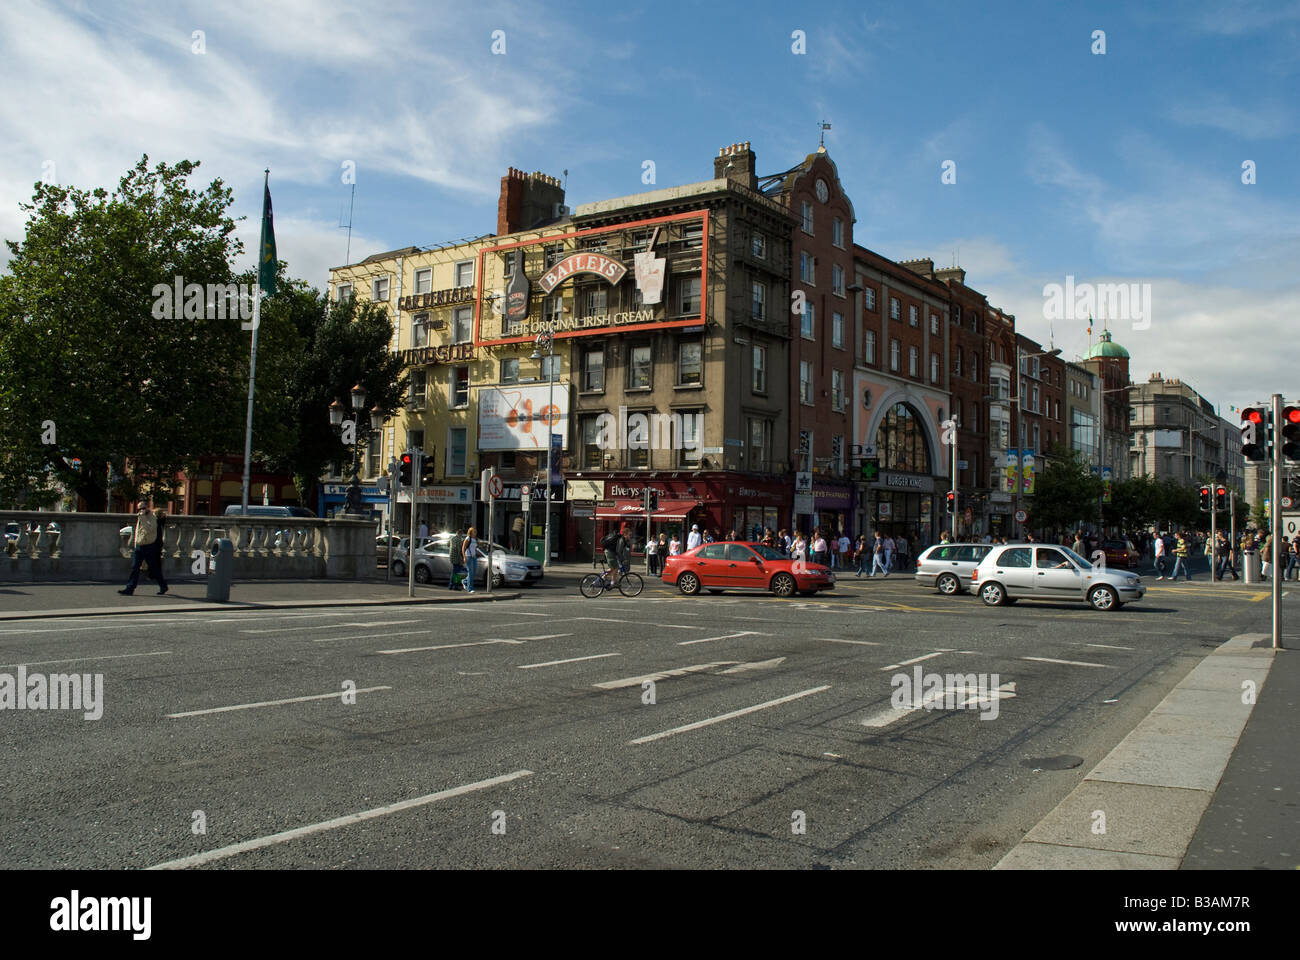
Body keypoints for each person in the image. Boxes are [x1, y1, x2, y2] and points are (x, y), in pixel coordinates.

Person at [119, 503, 168, 596]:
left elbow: (150, 529)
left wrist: (143, 518)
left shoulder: (152, 517)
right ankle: (130, 588)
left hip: (149, 546)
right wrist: (136, 543)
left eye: (142, 508)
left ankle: (163, 585)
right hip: (139, 545)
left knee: (154, 568)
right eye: (139, 509)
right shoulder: (140, 517)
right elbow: (138, 532)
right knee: (135, 567)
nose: (140, 510)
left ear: (147, 508)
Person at [462, 526, 479, 593]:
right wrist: (464, 557)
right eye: (474, 532)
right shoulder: (468, 538)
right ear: (470, 532)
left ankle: (464, 581)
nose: (475, 533)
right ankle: (470, 589)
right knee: (470, 572)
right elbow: (463, 548)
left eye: (475, 532)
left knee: (474, 572)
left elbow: (475, 548)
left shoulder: (475, 539)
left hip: (474, 557)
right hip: (468, 556)